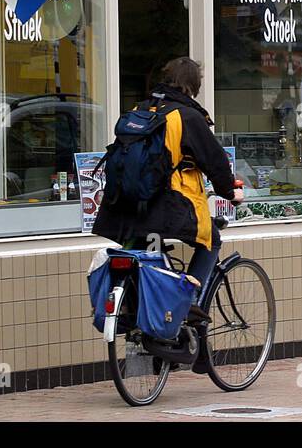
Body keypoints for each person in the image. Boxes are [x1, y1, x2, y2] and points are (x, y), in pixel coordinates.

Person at [93, 57, 244, 298]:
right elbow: (215, 162)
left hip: (123, 206)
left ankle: (135, 312)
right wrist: (230, 192)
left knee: (140, 250)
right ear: (194, 86)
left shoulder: (138, 110)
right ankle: (189, 302)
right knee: (211, 241)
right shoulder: (186, 116)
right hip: (168, 207)